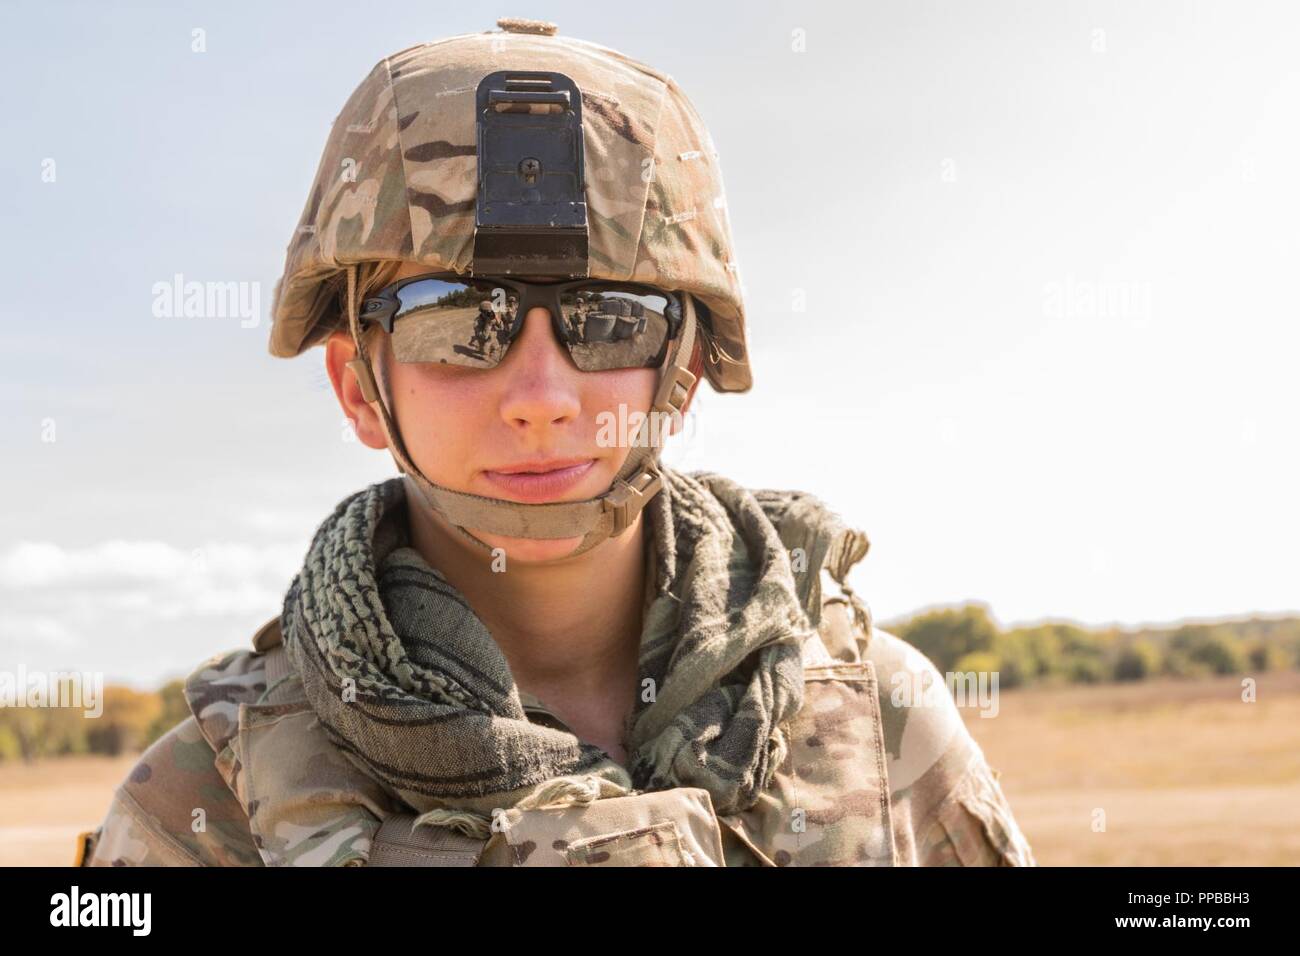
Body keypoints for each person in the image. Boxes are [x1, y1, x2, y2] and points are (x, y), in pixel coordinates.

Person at [75, 17, 1035, 868]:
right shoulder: (208, 803)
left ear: (685, 370)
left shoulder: (879, 713)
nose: (540, 397)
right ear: (358, 387)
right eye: (454, 320)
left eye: (609, 320)